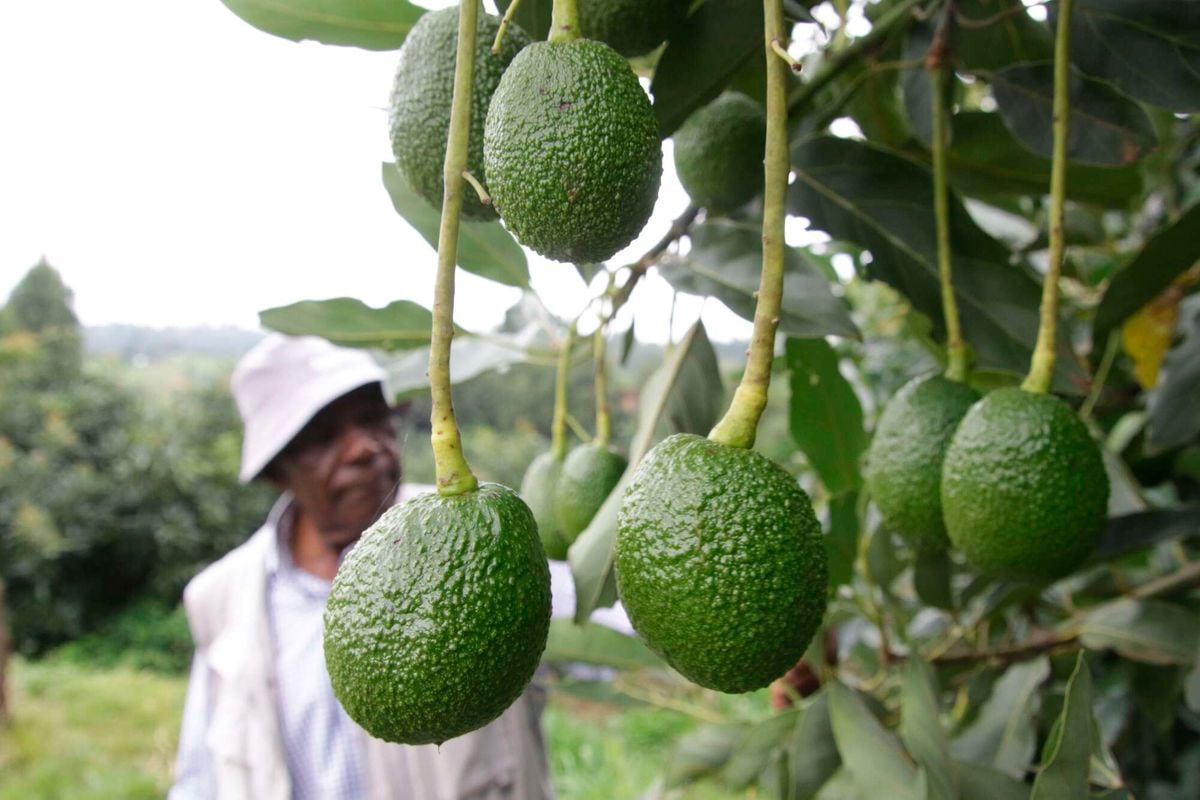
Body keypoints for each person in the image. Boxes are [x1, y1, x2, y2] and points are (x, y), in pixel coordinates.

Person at [169, 334, 554, 800]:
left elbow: (593, 607)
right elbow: (200, 776)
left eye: (373, 420)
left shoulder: (485, 540)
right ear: (277, 470)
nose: (361, 449)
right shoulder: (221, 597)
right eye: (323, 437)